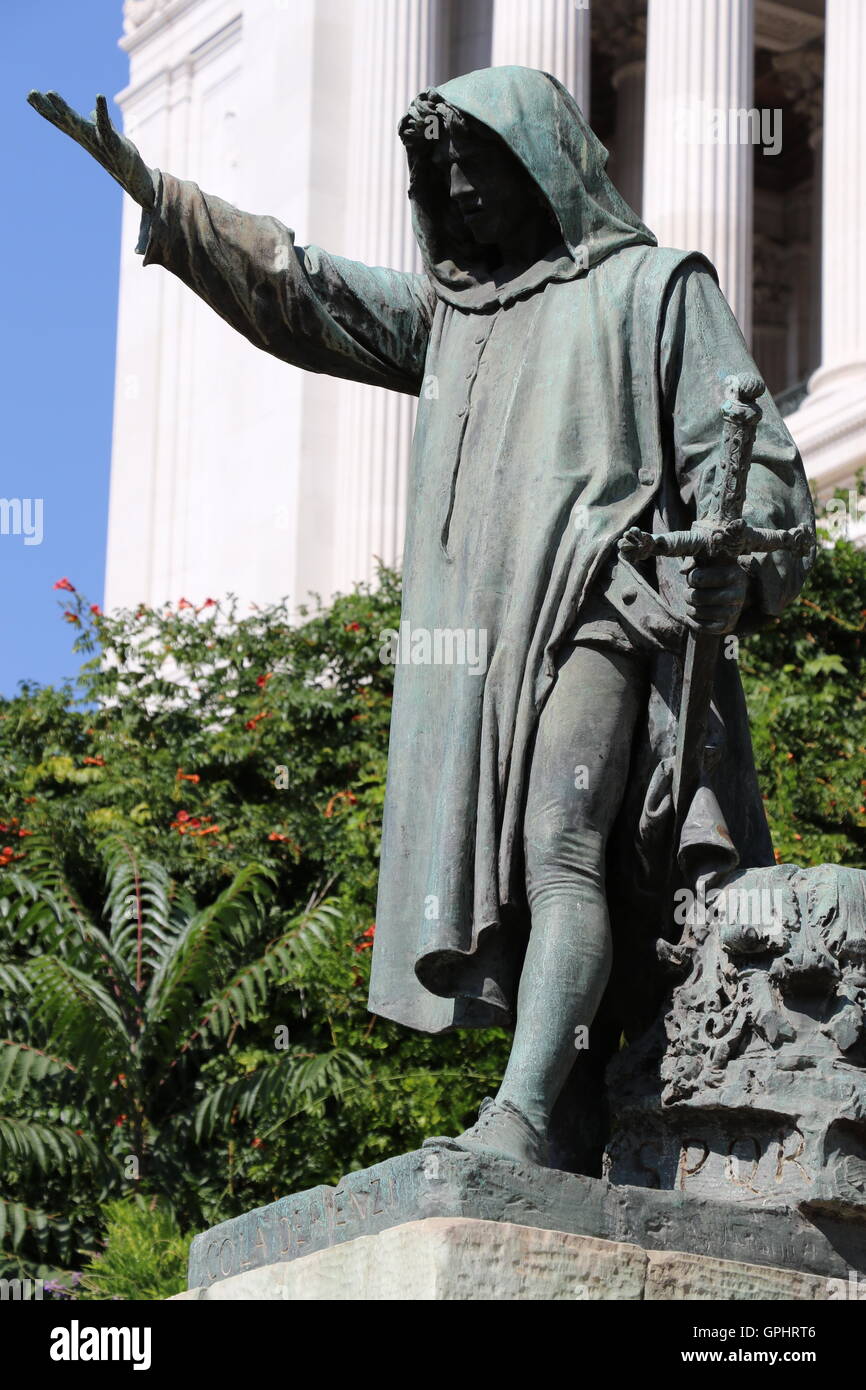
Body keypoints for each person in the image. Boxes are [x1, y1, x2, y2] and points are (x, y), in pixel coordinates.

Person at [29, 66, 814, 1169]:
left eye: (479, 172)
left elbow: (762, 476)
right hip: (486, 651)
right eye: (443, 181)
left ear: (537, 161)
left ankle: (527, 1116)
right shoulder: (459, 321)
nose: (464, 198)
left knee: (560, 849)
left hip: (604, 610)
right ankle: (573, 1102)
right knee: (537, 879)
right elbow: (304, 290)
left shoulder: (653, 288)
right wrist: (166, 198)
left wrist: (735, 562)